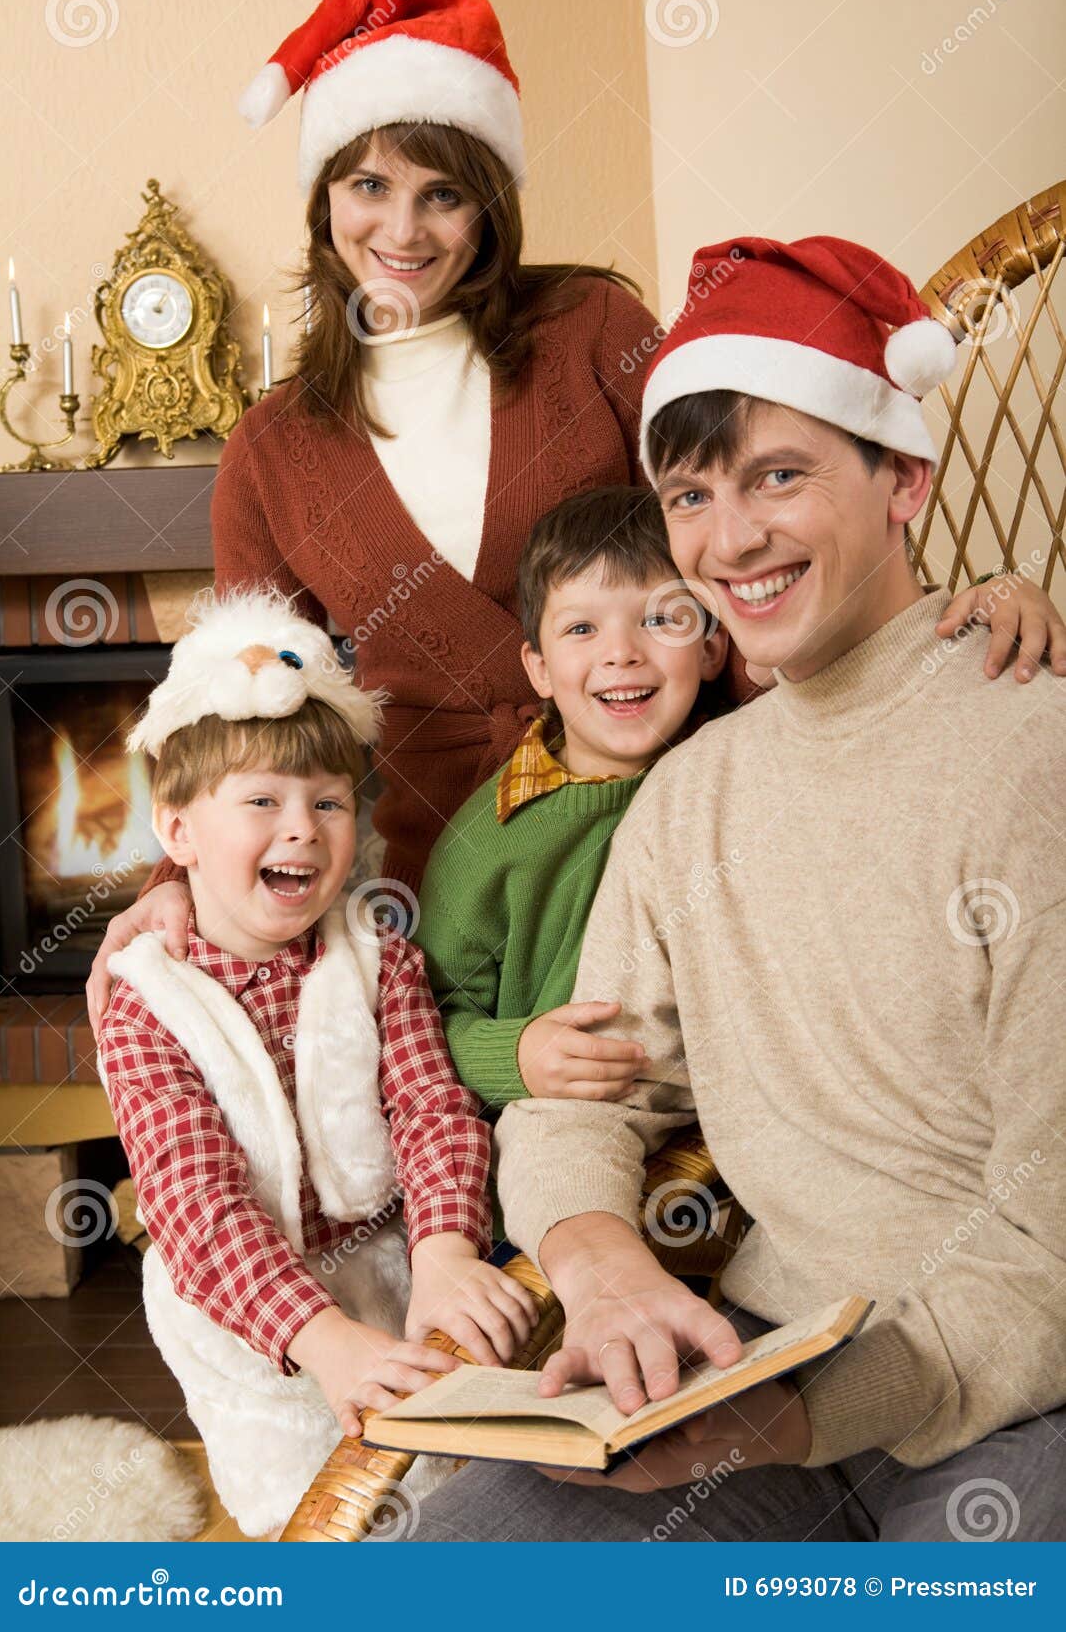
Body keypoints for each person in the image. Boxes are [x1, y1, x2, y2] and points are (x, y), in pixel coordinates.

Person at [85, 0, 1066, 1035]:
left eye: (442, 193)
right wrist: (170, 881)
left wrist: (956, 604)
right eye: (368, 186)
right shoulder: (271, 449)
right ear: (322, 201)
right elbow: (247, 708)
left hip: (678, 819)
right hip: (441, 898)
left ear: (489, 208)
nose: (402, 231)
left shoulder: (592, 329)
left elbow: (759, 507)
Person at [385, 236, 1066, 1543]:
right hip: (760, 1352)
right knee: (459, 1556)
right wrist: (601, 1271)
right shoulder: (689, 795)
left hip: (1010, 1389)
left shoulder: (1028, 759)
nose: (728, 537)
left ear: (900, 477)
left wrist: (801, 1414)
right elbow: (580, 1092)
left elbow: (1048, 1249)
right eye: (687, 495)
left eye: (777, 477)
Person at [94, 588, 537, 1538]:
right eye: (262, 802)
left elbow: (431, 1108)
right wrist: (321, 1338)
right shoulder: (146, 1000)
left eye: (327, 802)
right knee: (320, 1512)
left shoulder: (379, 955)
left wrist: (449, 1252)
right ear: (177, 834)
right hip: (244, 1312)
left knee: (463, 1492)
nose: (302, 828)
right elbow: (193, 1204)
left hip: (394, 1265)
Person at [413, 485, 727, 1127]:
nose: (621, 653)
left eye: (662, 619)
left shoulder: (732, 774)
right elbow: (421, 1024)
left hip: (718, 1114)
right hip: (562, 1129)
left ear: (713, 648)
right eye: (582, 628)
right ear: (540, 671)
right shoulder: (489, 838)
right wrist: (517, 1054)